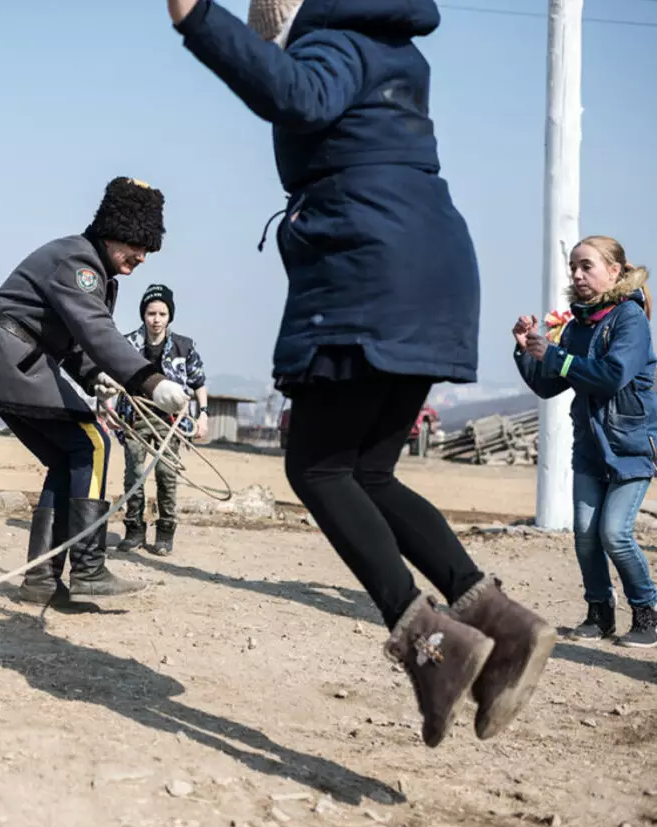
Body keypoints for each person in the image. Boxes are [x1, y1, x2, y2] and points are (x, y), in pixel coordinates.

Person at [166, 0, 555, 748]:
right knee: (369, 471)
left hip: (371, 270)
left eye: (262, 24)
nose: (263, 38)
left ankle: (434, 652)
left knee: (315, 466)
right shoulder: (391, 42)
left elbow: (298, 94)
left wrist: (196, 18)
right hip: (430, 268)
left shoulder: (334, 37)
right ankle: (499, 624)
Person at [0, 177, 190, 605]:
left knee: (67, 455)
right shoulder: (79, 263)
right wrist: (151, 381)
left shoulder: (95, 271)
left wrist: (97, 378)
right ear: (113, 231)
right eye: (136, 244)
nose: (142, 257)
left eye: (148, 249)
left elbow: (75, 342)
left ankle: (41, 579)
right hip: (12, 361)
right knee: (93, 443)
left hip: (13, 361)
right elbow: (95, 331)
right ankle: (89, 569)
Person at [514, 237, 657, 649]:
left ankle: (646, 612)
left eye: (586, 266)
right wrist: (527, 351)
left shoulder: (631, 319)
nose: (577, 274)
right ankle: (599, 614)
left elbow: (612, 374)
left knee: (615, 533)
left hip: (630, 447)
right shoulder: (576, 327)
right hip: (591, 449)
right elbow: (548, 385)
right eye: (573, 267)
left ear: (615, 271)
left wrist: (554, 355)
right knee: (585, 533)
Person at [113, 284, 208, 556]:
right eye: (151, 313)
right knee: (134, 474)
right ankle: (133, 530)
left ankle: (165, 531)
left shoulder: (183, 346)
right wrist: (107, 409)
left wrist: (203, 414)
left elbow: (198, 382)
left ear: (169, 316)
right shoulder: (128, 343)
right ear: (144, 314)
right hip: (135, 416)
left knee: (167, 474)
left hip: (171, 421)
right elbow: (113, 376)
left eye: (162, 314)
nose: (156, 319)